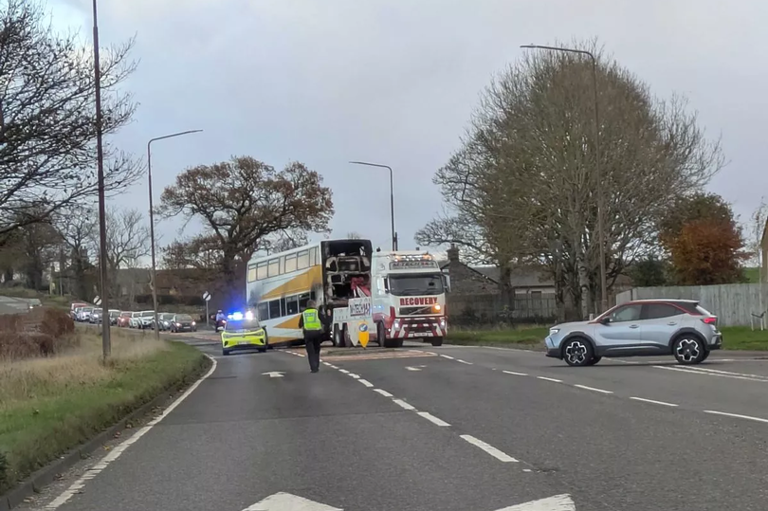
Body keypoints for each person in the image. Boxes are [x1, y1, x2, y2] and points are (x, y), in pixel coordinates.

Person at [299, 300, 325, 373]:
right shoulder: (317, 312)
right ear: (313, 305)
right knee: (316, 350)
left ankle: (313, 368)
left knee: (310, 352)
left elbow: (300, 325)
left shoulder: (304, 313)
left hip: (308, 334)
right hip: (317, 333)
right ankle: (317, 366)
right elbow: (324, 321)